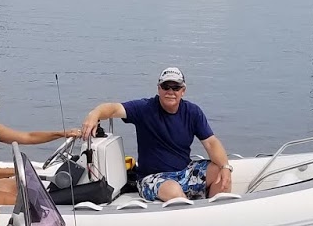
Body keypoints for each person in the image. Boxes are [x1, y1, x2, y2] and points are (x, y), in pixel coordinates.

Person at [79, 67, 232, 202]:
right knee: (173, 190)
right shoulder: (145, 108)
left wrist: (225, 166)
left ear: (183, 91)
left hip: (184, 171)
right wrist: (95, 114)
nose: (170, 92)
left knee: (221, 171)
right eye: (166, 87)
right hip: (152, 177)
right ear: (159, 89)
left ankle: (213, 213)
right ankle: (190, 220)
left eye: (176, 87)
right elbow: (113, 109)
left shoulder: (193, 112)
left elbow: (211, 143)